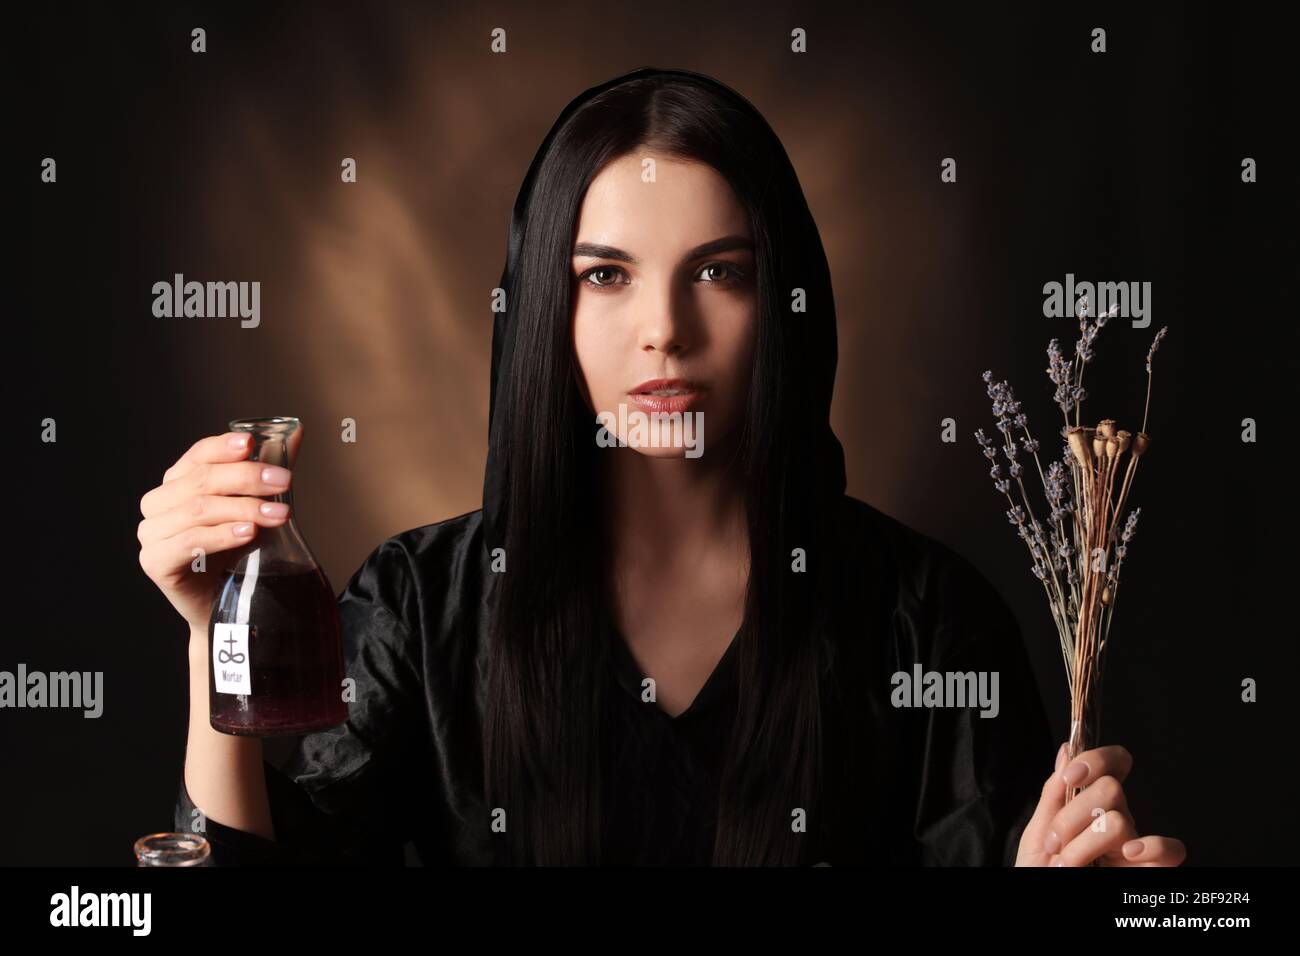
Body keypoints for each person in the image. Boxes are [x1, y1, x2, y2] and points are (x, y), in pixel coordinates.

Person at [137, 66, 1186, 867]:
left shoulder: (924, 620)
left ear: (784, 307)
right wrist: (208, 633)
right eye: (605, 276)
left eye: (719, 273)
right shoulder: (418, 609)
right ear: (544, 310)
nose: (664, 331)